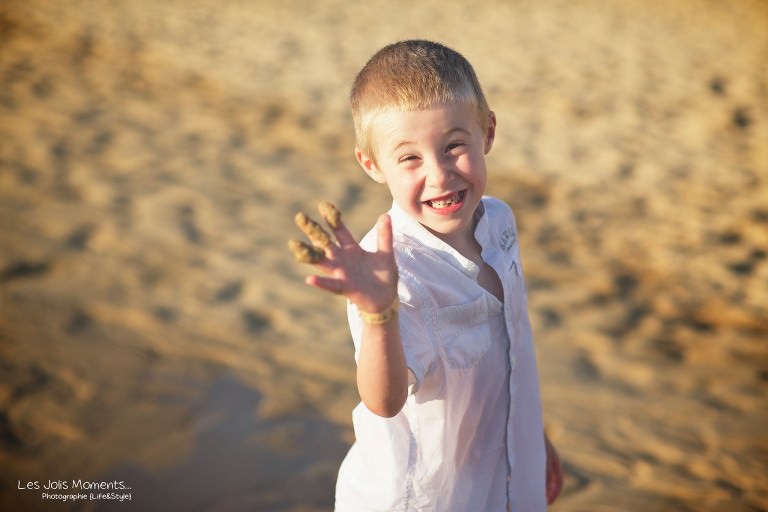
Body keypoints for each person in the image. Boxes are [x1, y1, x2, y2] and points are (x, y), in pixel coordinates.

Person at [290, 39, 563, 511]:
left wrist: (532, 445)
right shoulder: (391, 273)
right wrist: (378, 313)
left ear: (488, 132)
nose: (439, 175)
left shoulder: (499, 222)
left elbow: (511, 347)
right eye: (410, 158)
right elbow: (385, 401)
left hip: (501, 481)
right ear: (372, 164)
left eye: (454, 146)